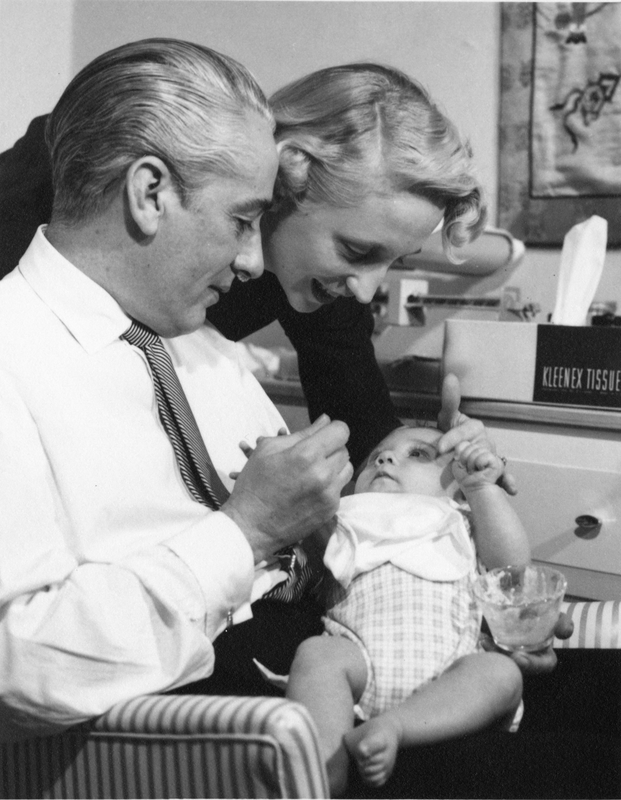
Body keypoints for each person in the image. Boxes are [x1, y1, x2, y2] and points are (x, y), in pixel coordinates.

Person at [0, 36, 356, 739]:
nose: (254, 261)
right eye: (243, 219)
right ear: (150, 193)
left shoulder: (203, 348)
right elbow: (23, 667)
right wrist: (247, 529)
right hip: (218, 740)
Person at [0, 61, 496, 473]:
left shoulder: (317, 278)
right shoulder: (61, 179)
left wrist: (430, 464)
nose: (367, 291)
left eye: (393, 260)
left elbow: (359, 424)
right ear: (285, 181)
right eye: (356, 251)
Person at [286, 423, 529, 795]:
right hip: (359, 664)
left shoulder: (460, 519)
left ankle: (395, 726)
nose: (385, 458)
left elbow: (511, 570)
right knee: (318, 656)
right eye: (374, 458)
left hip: (454, 674)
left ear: (457, 485)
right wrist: (291, 499)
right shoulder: (348, 520)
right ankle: (322, 773)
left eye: (418, 454)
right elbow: (304, 555)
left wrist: (482, 489)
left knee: (501, 673)